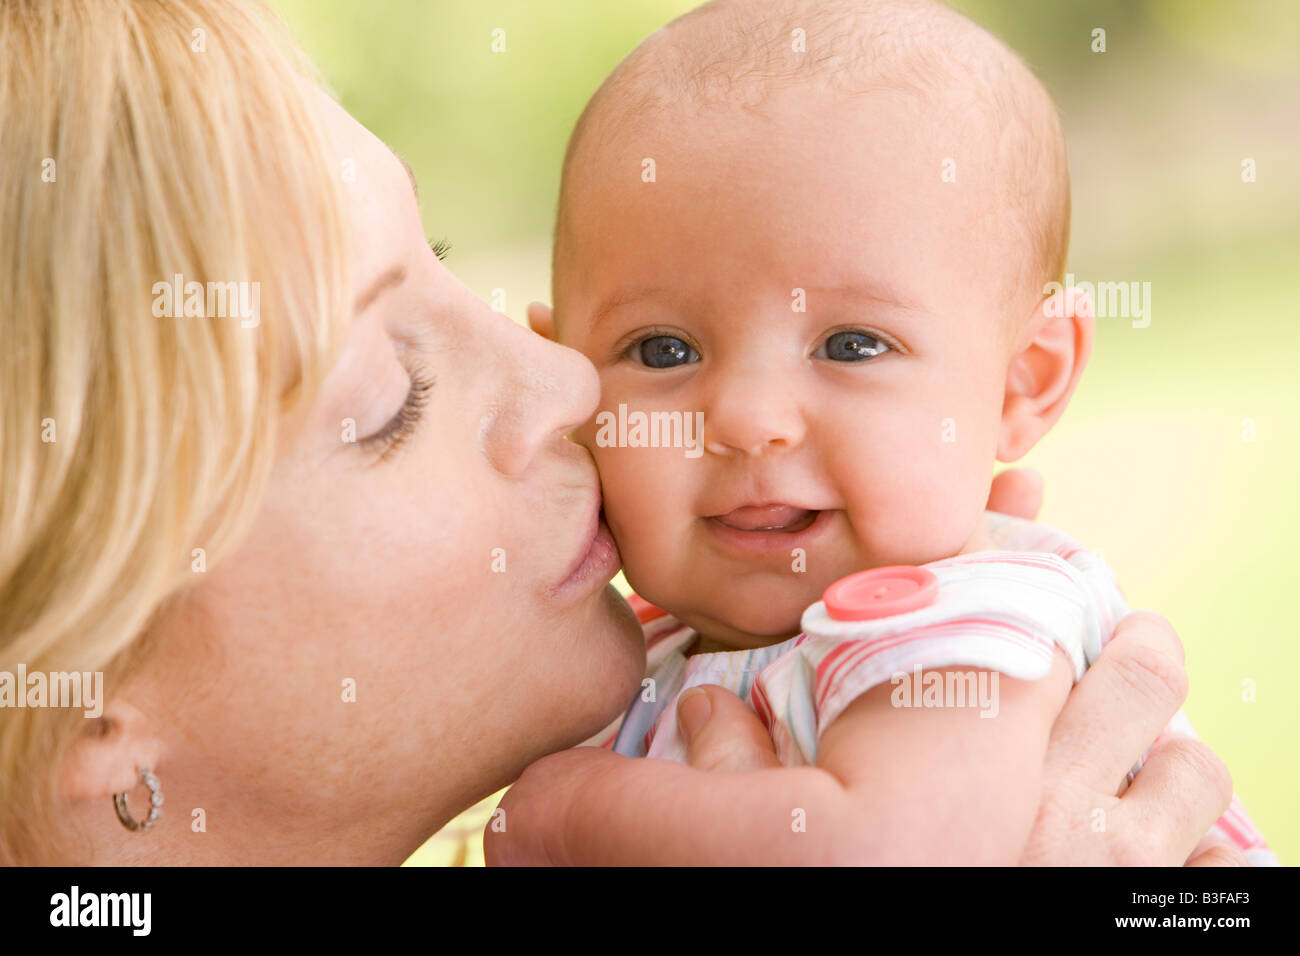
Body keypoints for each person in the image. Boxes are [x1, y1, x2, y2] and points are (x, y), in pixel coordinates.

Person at [0, 0, 1243, 867]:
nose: (565, 383)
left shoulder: (941, 624)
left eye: (440, 272)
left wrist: (569, 814)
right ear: (90, 700)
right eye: (390, 398)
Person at [487, 0, 1273, 864]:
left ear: (1025, 379)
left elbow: (876, 849)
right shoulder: (634, 647)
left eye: (852, 345)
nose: (749, 421)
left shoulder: (962, 624)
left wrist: (560, 815)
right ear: (565, 381)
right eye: (663, 348)